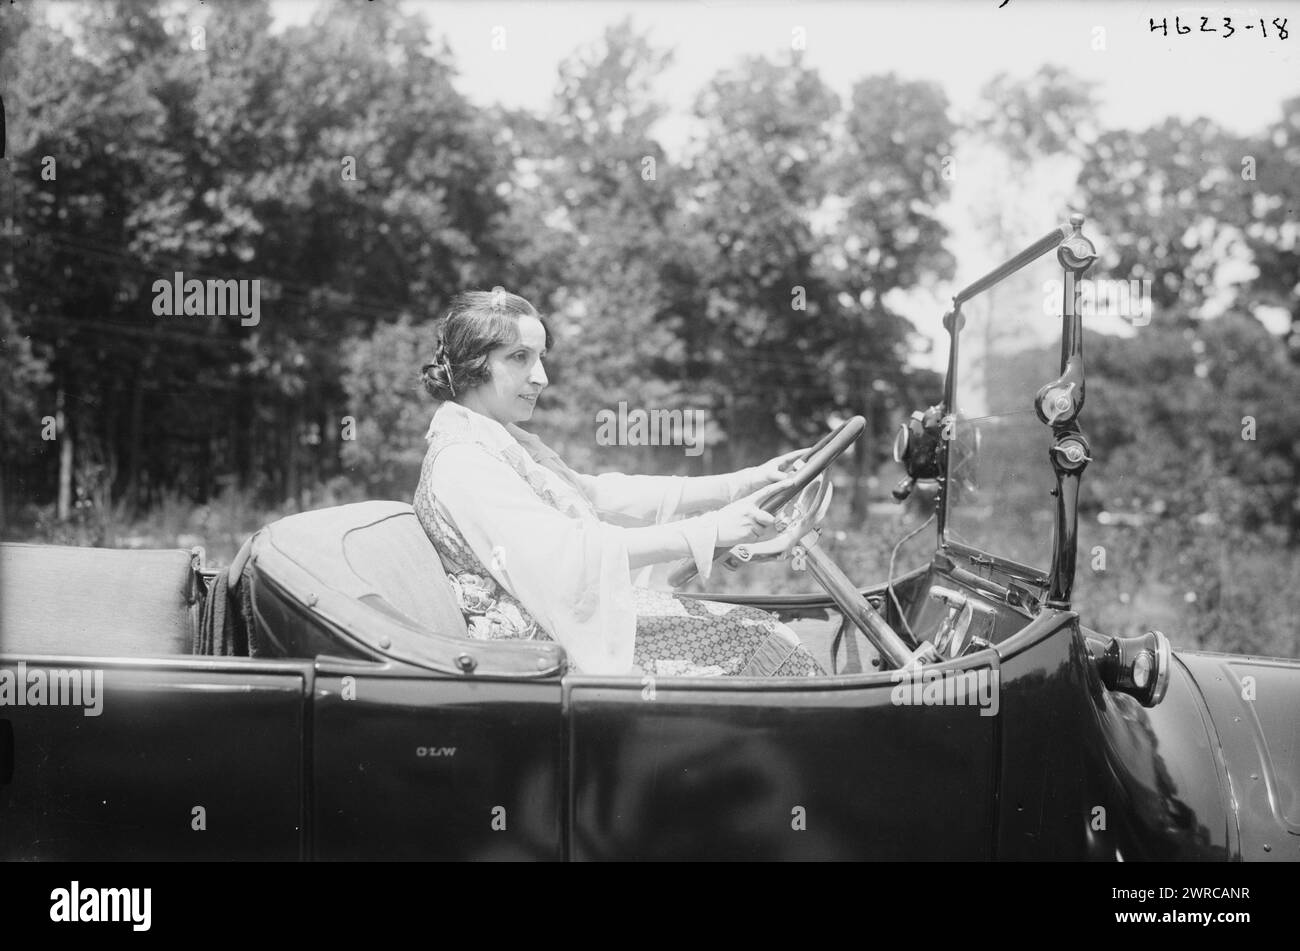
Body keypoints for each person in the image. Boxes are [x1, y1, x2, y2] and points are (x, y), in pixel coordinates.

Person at [413, 286, 825, 678]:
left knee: (759, 633)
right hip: (539, 651)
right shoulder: (464, 460)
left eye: (540, 357)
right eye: (519, 357)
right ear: (473, 364)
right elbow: (571, 555)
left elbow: (597, 495)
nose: (541, 377)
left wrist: (743, 482)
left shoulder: (497, 441)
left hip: (562, 623)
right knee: (763, 641)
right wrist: (710, 529)